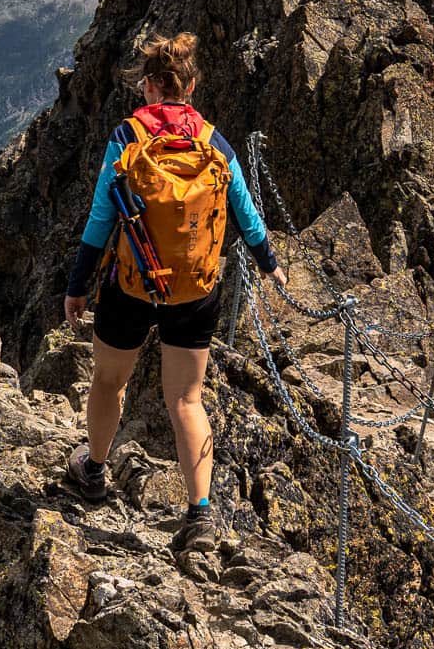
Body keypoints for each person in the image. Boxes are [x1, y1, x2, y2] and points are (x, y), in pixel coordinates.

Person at [61, 31, 286, 554]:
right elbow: (244, 210)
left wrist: (77, 287)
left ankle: (93, 470)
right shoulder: (214, 142)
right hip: (195, 290)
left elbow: (101, 218)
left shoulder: (128, 137)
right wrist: (268, 261)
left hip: (132, 285)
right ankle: (200, 514)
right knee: (186, 398)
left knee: (109, 381)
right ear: (190, 86)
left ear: (151, 85)